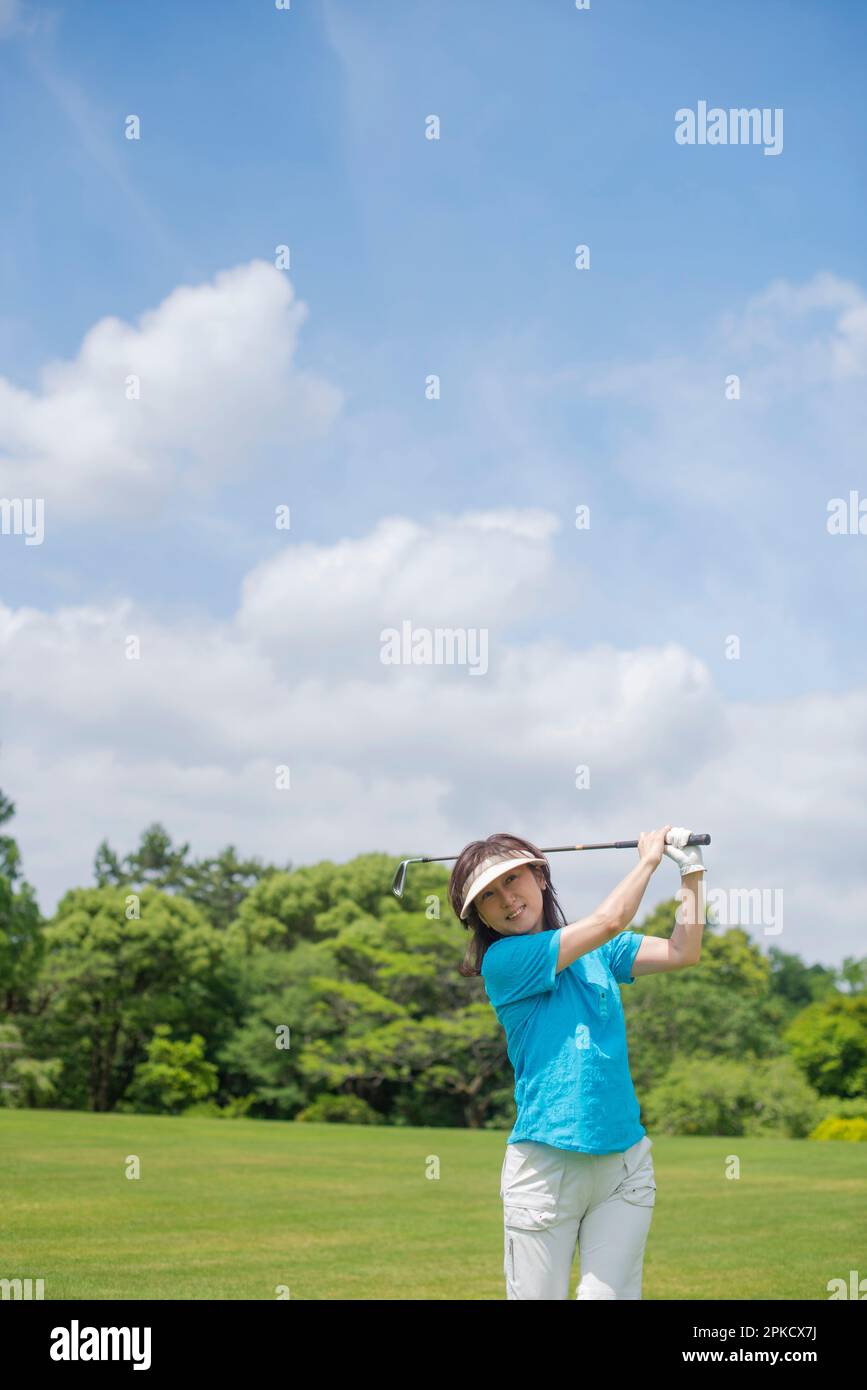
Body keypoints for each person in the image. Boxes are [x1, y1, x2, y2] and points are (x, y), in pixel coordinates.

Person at [447, 824, 706, 1300]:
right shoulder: (505, 961)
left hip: (623, 1166)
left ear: (540, 878)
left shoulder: (601, 953)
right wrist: (648, 859)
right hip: (546, 1169)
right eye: (488, 895)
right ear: (479, 915)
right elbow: (609, 920)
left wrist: (690, 871)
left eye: (512, 880)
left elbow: (682, 951)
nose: (506, 899)